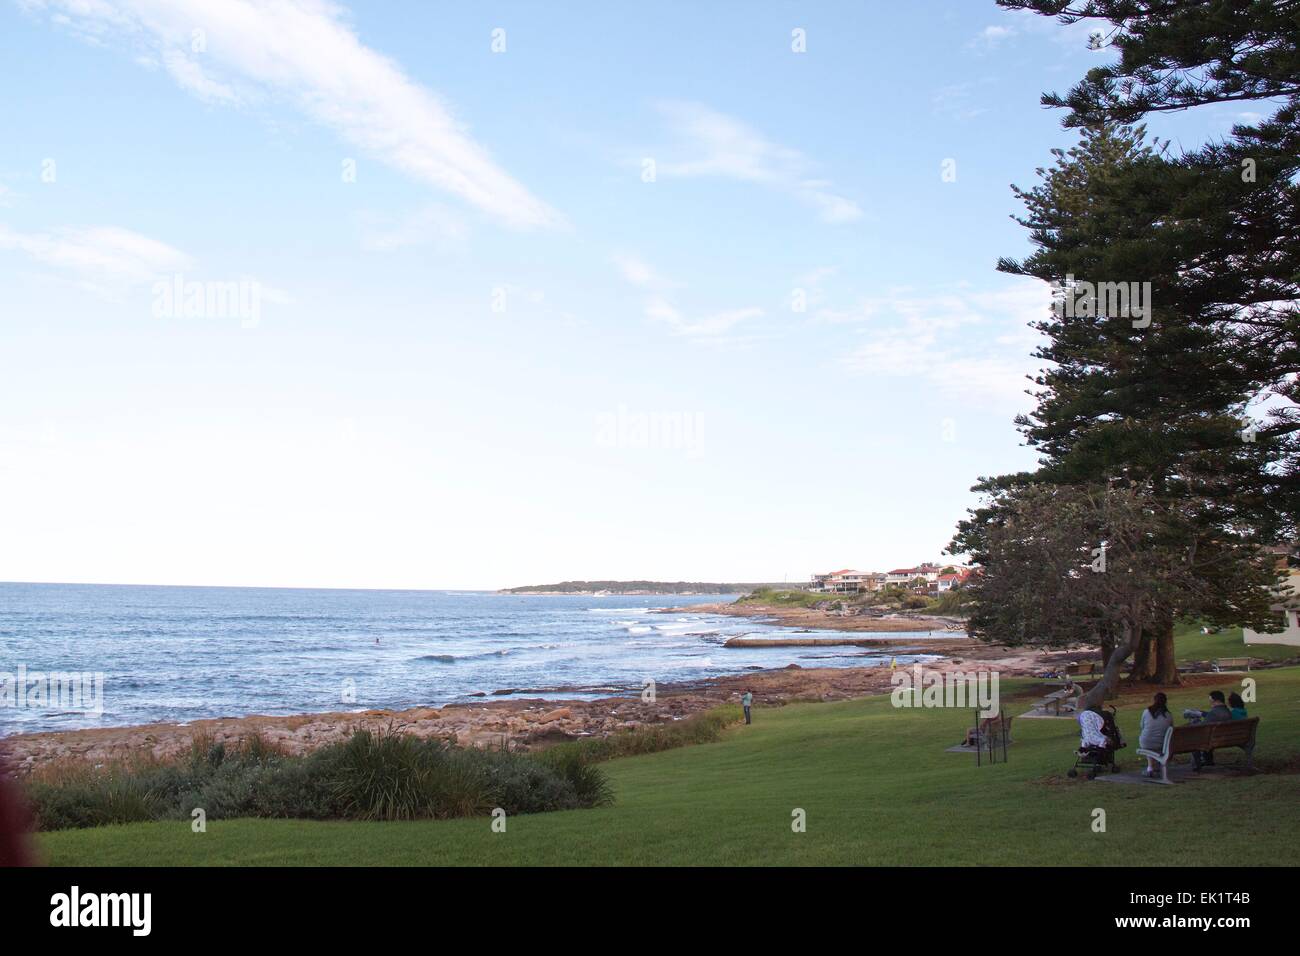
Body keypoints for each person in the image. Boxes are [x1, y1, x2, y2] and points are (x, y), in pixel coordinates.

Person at [1139, 692, 1174, 777]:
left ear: (1154, 700)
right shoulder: (1168, 715)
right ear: (1165, 702)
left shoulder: (1146, 712)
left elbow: (1142, 726)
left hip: (1146, 742)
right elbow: (1171, 728)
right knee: (1157, 741)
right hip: (1163, 744)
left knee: (1148, 739)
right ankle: (1157, 765)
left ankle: (1150, 767)